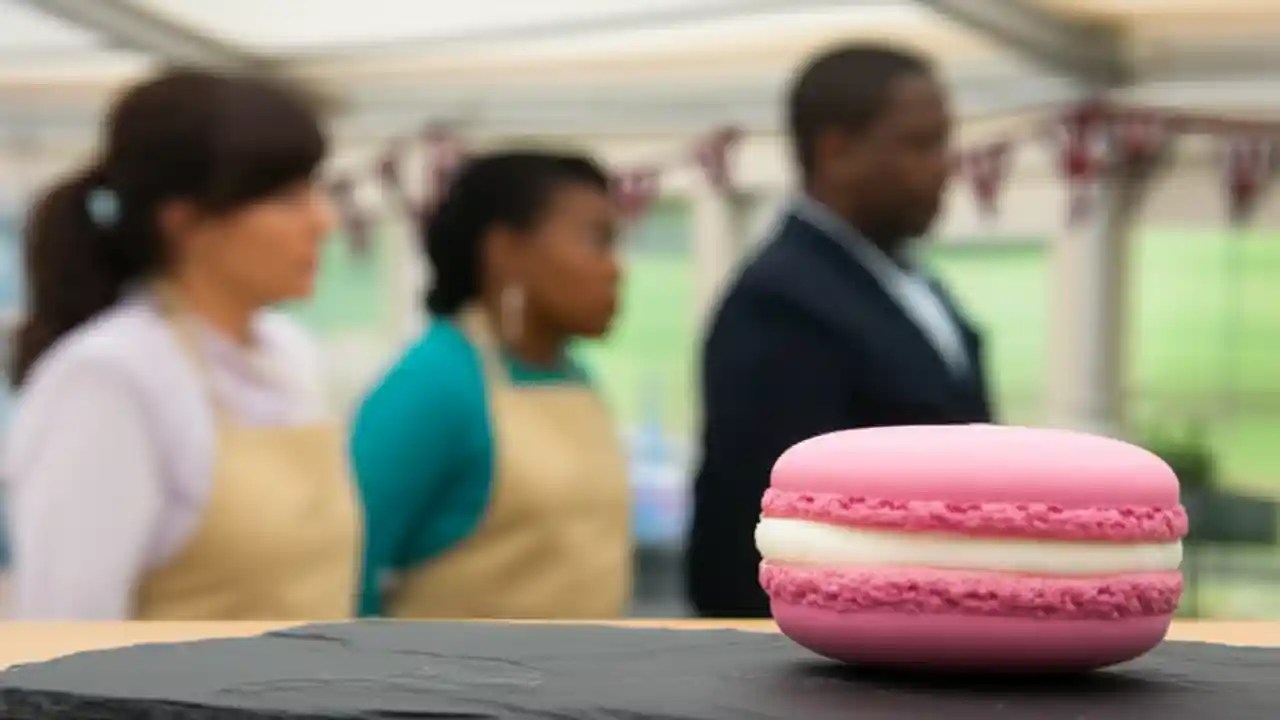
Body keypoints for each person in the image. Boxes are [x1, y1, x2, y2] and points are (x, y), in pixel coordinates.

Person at [2, 69, 359, 620]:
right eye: (288, 198)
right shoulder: (109, 377)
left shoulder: (287, 354)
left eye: (317, 191)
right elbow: (65, 629)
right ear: (184, 222)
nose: (323, 221)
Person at [687, 44, 994, 618]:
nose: (945, 166)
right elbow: (764, 530)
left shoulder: (904, 279)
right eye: (920, 144)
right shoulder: (781, 300)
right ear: (837, 151)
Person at [351, 151, 630, 619]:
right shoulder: (433, 385)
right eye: (594, 241)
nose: (615, 268)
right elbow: (348, 565)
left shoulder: (574, 376)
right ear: (506, 252)